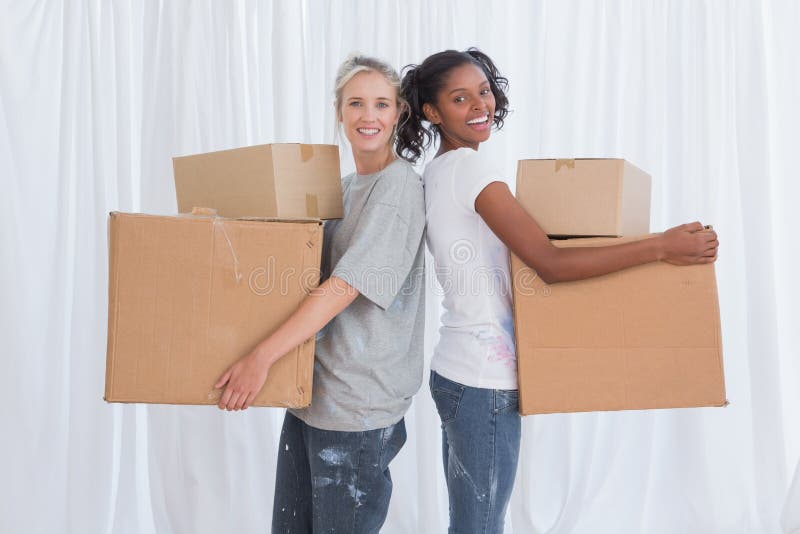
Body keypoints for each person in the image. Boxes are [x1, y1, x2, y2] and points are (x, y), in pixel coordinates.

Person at [397, 48, 719, 533]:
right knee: (479, 526)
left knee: (472, 522)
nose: (480, 105)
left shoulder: (439, 171)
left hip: (458, 370)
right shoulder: (472, 171)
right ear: (433, 112)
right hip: (483, 380)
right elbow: (549, 264)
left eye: (483, 91)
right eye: (460, 98)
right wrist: (660, 247)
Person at [214, 54, 426, 534]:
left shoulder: (398, 188)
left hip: (357, 406)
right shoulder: (344, 189)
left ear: (399, 112)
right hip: (312, 395)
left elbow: (343, 287)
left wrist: (259, 358)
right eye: (356, 103)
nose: (368, 116)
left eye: (381, 104)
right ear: (338, 111)